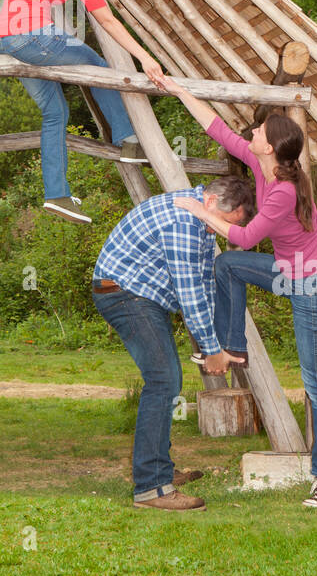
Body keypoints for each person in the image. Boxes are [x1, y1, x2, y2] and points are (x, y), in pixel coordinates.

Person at [165, 82, 317, 511]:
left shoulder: (284, 190)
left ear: (271, 146)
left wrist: (202, 211)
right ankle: (235, 348)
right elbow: (217, 129)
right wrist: (176, 90)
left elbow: (245, 237)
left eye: (260, 130)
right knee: (226, 266)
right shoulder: (259, 162)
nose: (252, 132)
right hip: (290, 273)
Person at [93, 175, 256, 511]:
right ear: (210, 202)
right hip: (124, 295)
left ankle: (159, 468)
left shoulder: (201, 220)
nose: (218, 232)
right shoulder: (183, 222)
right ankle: (151, 488)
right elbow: (190, 294)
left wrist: (217, 343)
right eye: (223, 224)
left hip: (143, 296)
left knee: (166, 379)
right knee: (164, 380)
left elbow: (206, 284)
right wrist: (211, 350)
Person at [0, 0, 164, 223]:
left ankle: (57, 195)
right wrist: (144, 57)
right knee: (98, 67)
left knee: (55, 111)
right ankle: (128, 142)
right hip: (32, 36)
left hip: (7, 39)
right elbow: (106, 20)